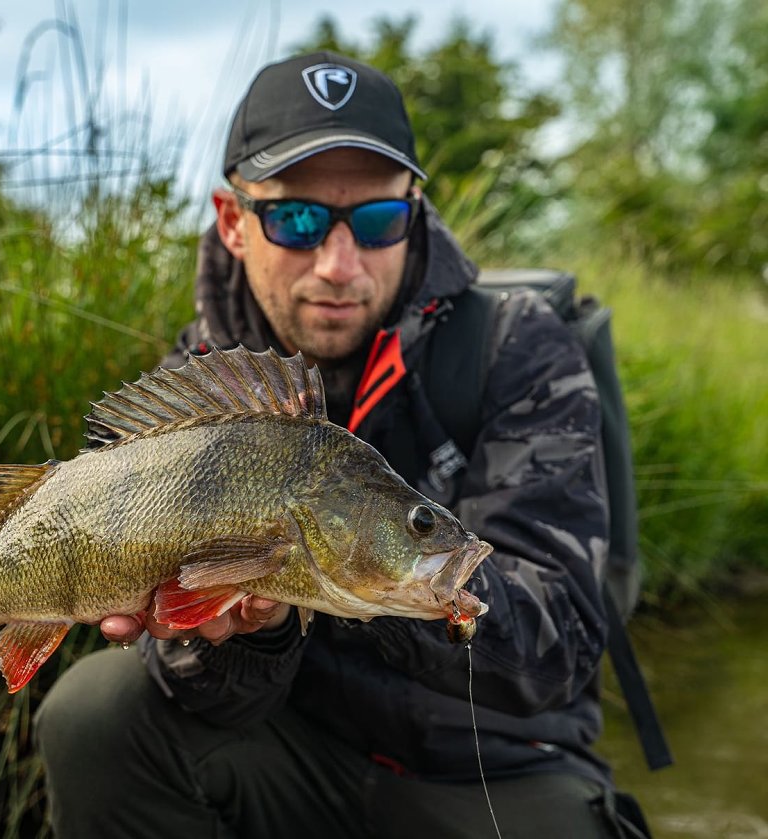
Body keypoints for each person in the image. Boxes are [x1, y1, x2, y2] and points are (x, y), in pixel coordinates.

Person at [34, 51, 650, 838]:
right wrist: (252, 630)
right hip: (296, 758)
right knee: (96, 712)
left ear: (414, 212)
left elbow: (559, 643)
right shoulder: (193, 396)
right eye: (295, 218)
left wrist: (378, 580)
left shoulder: (516, 347)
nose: (338, 264)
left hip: (494, 767)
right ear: (234, 222)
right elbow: (202, 692)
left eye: (376, 221)